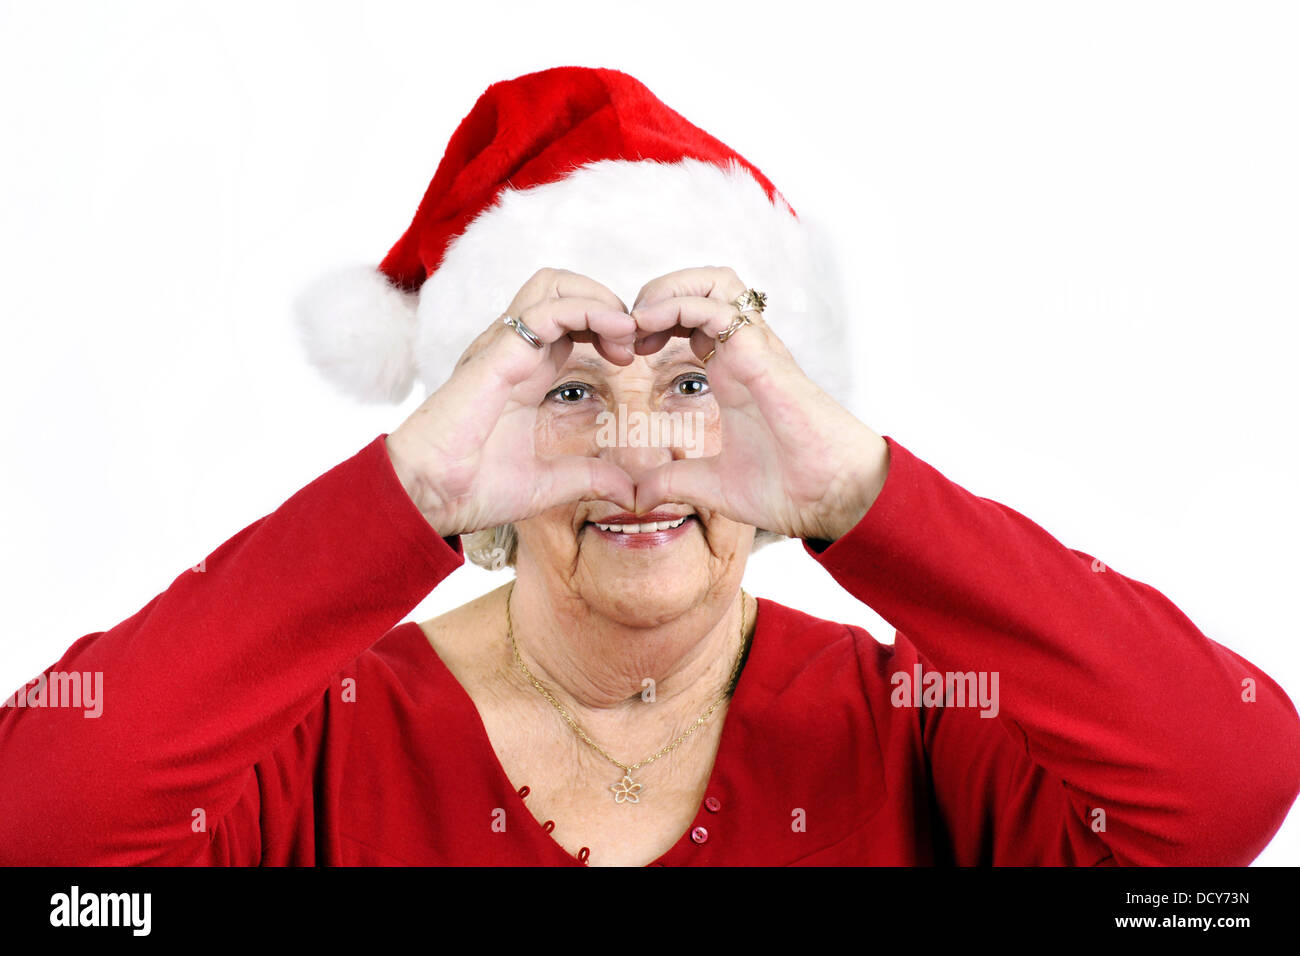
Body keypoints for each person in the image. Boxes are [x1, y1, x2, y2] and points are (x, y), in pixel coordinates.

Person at [1, 66, 1297, 867]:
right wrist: (402, 502)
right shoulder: (319, 742)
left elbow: (1228, 782)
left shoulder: (920, 722)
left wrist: (867, 495)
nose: (638, 451)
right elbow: (38, 823)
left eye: (696, 387)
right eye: (568, 392)